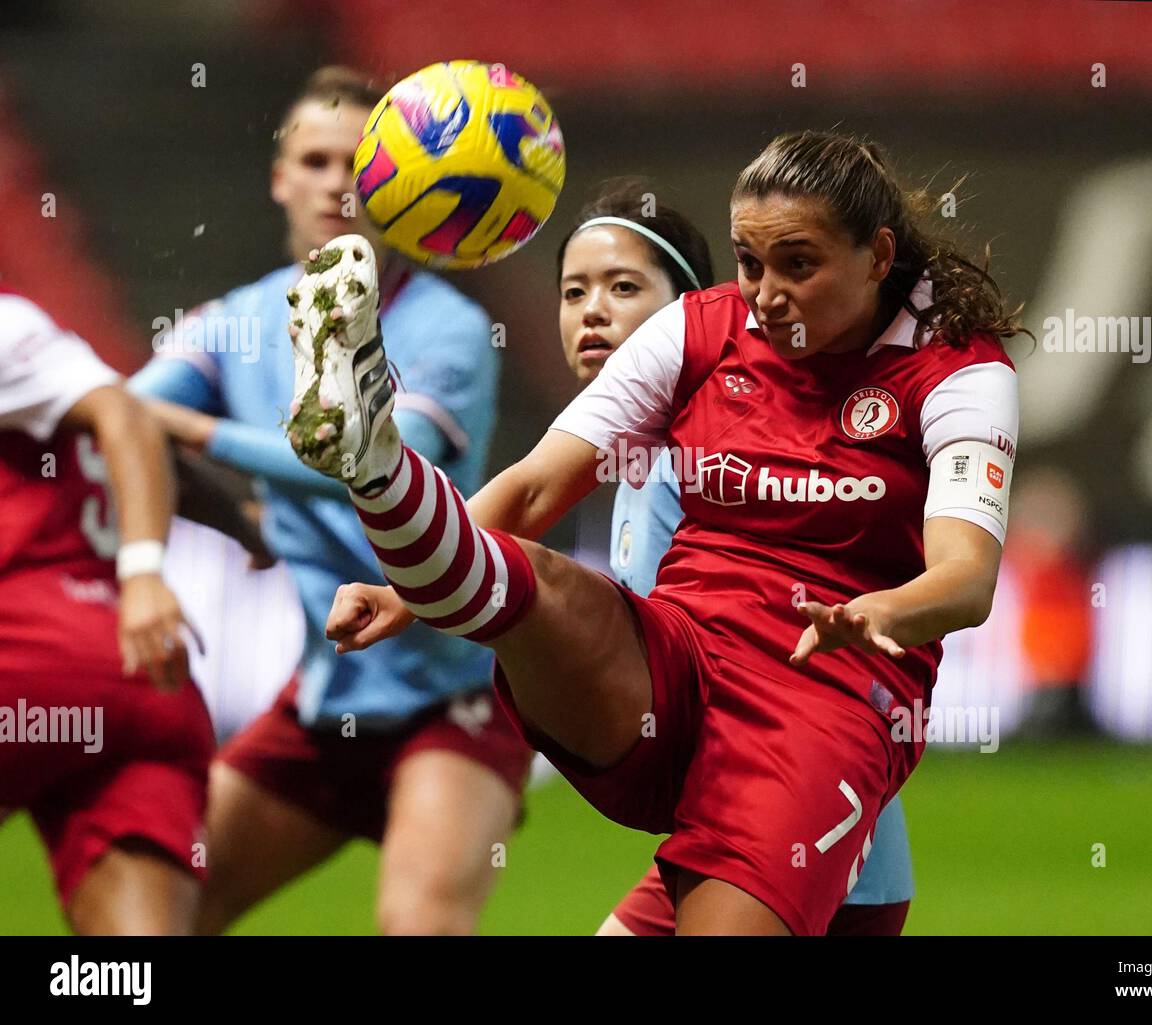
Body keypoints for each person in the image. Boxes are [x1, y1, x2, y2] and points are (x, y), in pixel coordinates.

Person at [303, 130, 1022, 935]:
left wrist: (881, 614)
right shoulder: (697, 330)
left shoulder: (957, 372)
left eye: (798, 265)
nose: (767, 294)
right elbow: (536, 483)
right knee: (539, 585)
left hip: (820, 706)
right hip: (676, 664)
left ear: (878, 254)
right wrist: (408, 590)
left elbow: (968, 575)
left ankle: (386, 474)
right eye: (749, 262)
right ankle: (379, 466)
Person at [130, 66, 531, 935]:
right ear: (280, 178)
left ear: (395, 185)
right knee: (160, 910)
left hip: (453, 689)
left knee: (417, 926)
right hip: (325, 699)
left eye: (360, 162)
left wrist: (200, 436)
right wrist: (232, 519)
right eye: (315, 158)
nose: (338, 181)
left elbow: (385, 458)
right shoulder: (233, 321)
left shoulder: (446, 326)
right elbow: (123, 422)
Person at [551, 180, 913, 935]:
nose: (593, 309)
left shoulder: (715, 460)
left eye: (623, 287)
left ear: (688, 312)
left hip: (821, 847)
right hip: (736, 825)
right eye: (573, 290)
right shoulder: (627, 463)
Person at [0, 287, 214, 934]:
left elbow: (127, 416)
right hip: (138, 676)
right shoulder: (32, 337)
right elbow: (131, 424)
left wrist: (145, 569)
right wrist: (249, 528)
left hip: (28, 654)